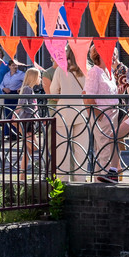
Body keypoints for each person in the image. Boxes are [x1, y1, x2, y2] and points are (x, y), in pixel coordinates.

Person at [85, 45, 129, 183]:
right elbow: (87, 96)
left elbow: (107, 93)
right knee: (105, 148)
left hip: (113, 114)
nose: (114, 56)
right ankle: (104, 182)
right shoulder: (95, 72)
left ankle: (105, 179)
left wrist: (118, 93)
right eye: (111, 53)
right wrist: (98, 114)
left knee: (110, 146)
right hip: (103, 115)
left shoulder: (109, 71)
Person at [47, 44, 87, 182]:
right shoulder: (86, 68)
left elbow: (53, 91)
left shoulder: (61, 69)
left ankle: (62, 181)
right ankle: (80, 180)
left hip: (64, 112)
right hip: (81, 112)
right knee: (81, 149)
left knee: (62, 149)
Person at [14, 66, 42, 176]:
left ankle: (22, 175)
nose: (40, 79)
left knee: (28, 150)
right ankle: (41, 165)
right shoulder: (27, 89)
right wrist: (15, 115)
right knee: (34, 146)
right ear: (33, 77)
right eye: (39, 76)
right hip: (28, 121)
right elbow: (21, 104)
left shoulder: (29, 89)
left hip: (31, 121)